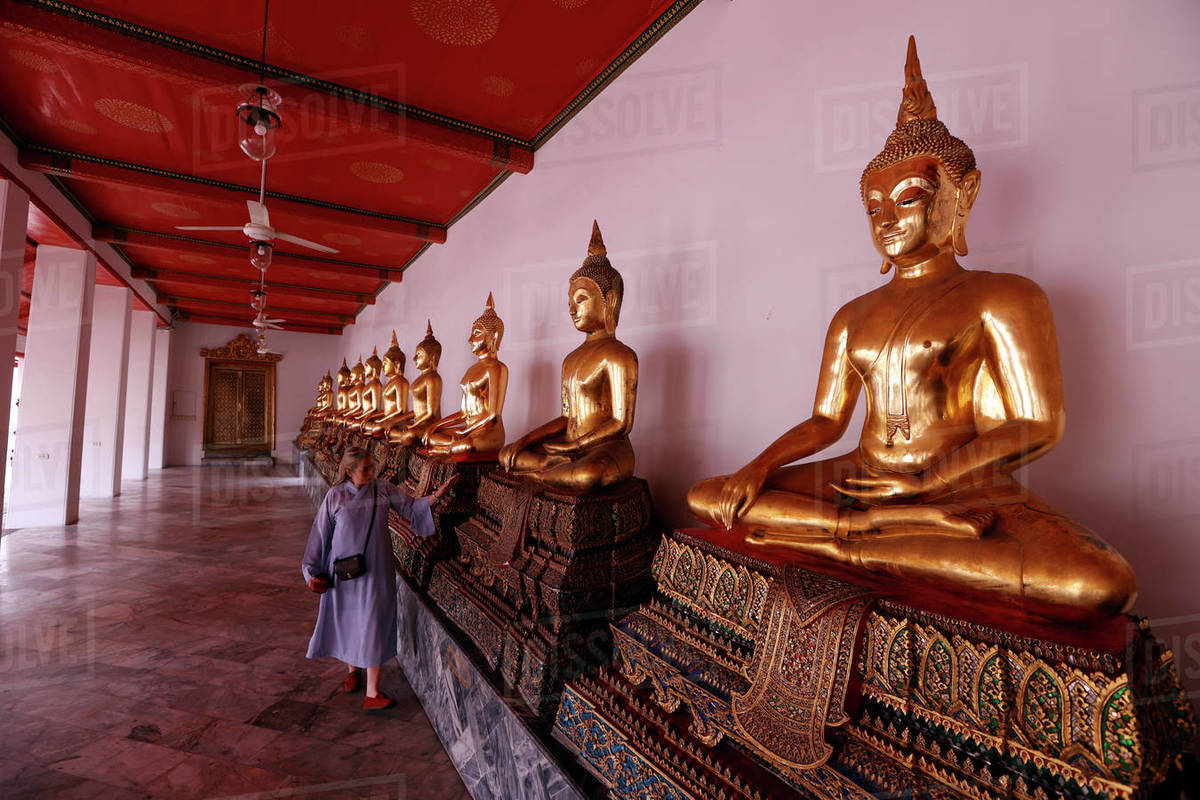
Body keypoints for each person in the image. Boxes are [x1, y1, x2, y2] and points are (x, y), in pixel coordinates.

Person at [302, 446, 456, 710]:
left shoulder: (382, 489)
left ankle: (372, 692)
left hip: (376, 573)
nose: (372, 472)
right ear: (349, 472)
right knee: (351, 621)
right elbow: (320, 535)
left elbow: (411, 508)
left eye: (373, 467)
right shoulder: (335, 496)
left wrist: (435, 497)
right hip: (344, 573)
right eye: (365, 469)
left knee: (372, 622)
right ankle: (353, 670)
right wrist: (310, 571)